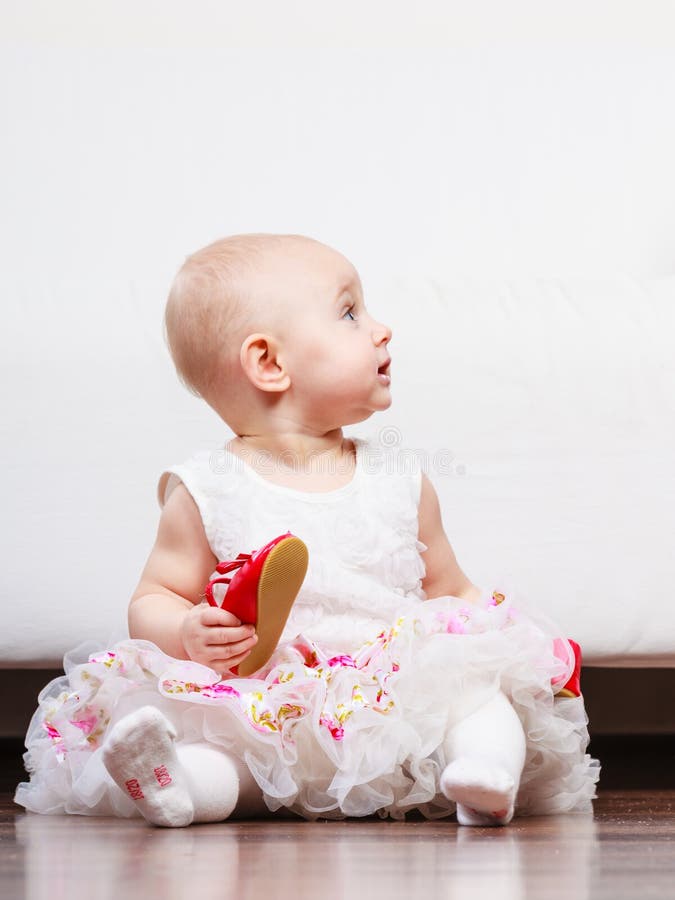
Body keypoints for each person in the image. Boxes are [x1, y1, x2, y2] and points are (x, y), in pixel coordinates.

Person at [14, 233, 600, 828]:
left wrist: (514, 643)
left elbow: (451, 589)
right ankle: (179, 783)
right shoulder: (209, 488)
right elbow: (153, 597)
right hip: (271, 703)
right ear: (269, 363)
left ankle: (482, 772)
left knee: (475, 694)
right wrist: (187, 629)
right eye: (350, 312)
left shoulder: (399, 477)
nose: (381, 328)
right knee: (229, 756)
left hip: (390, 702)